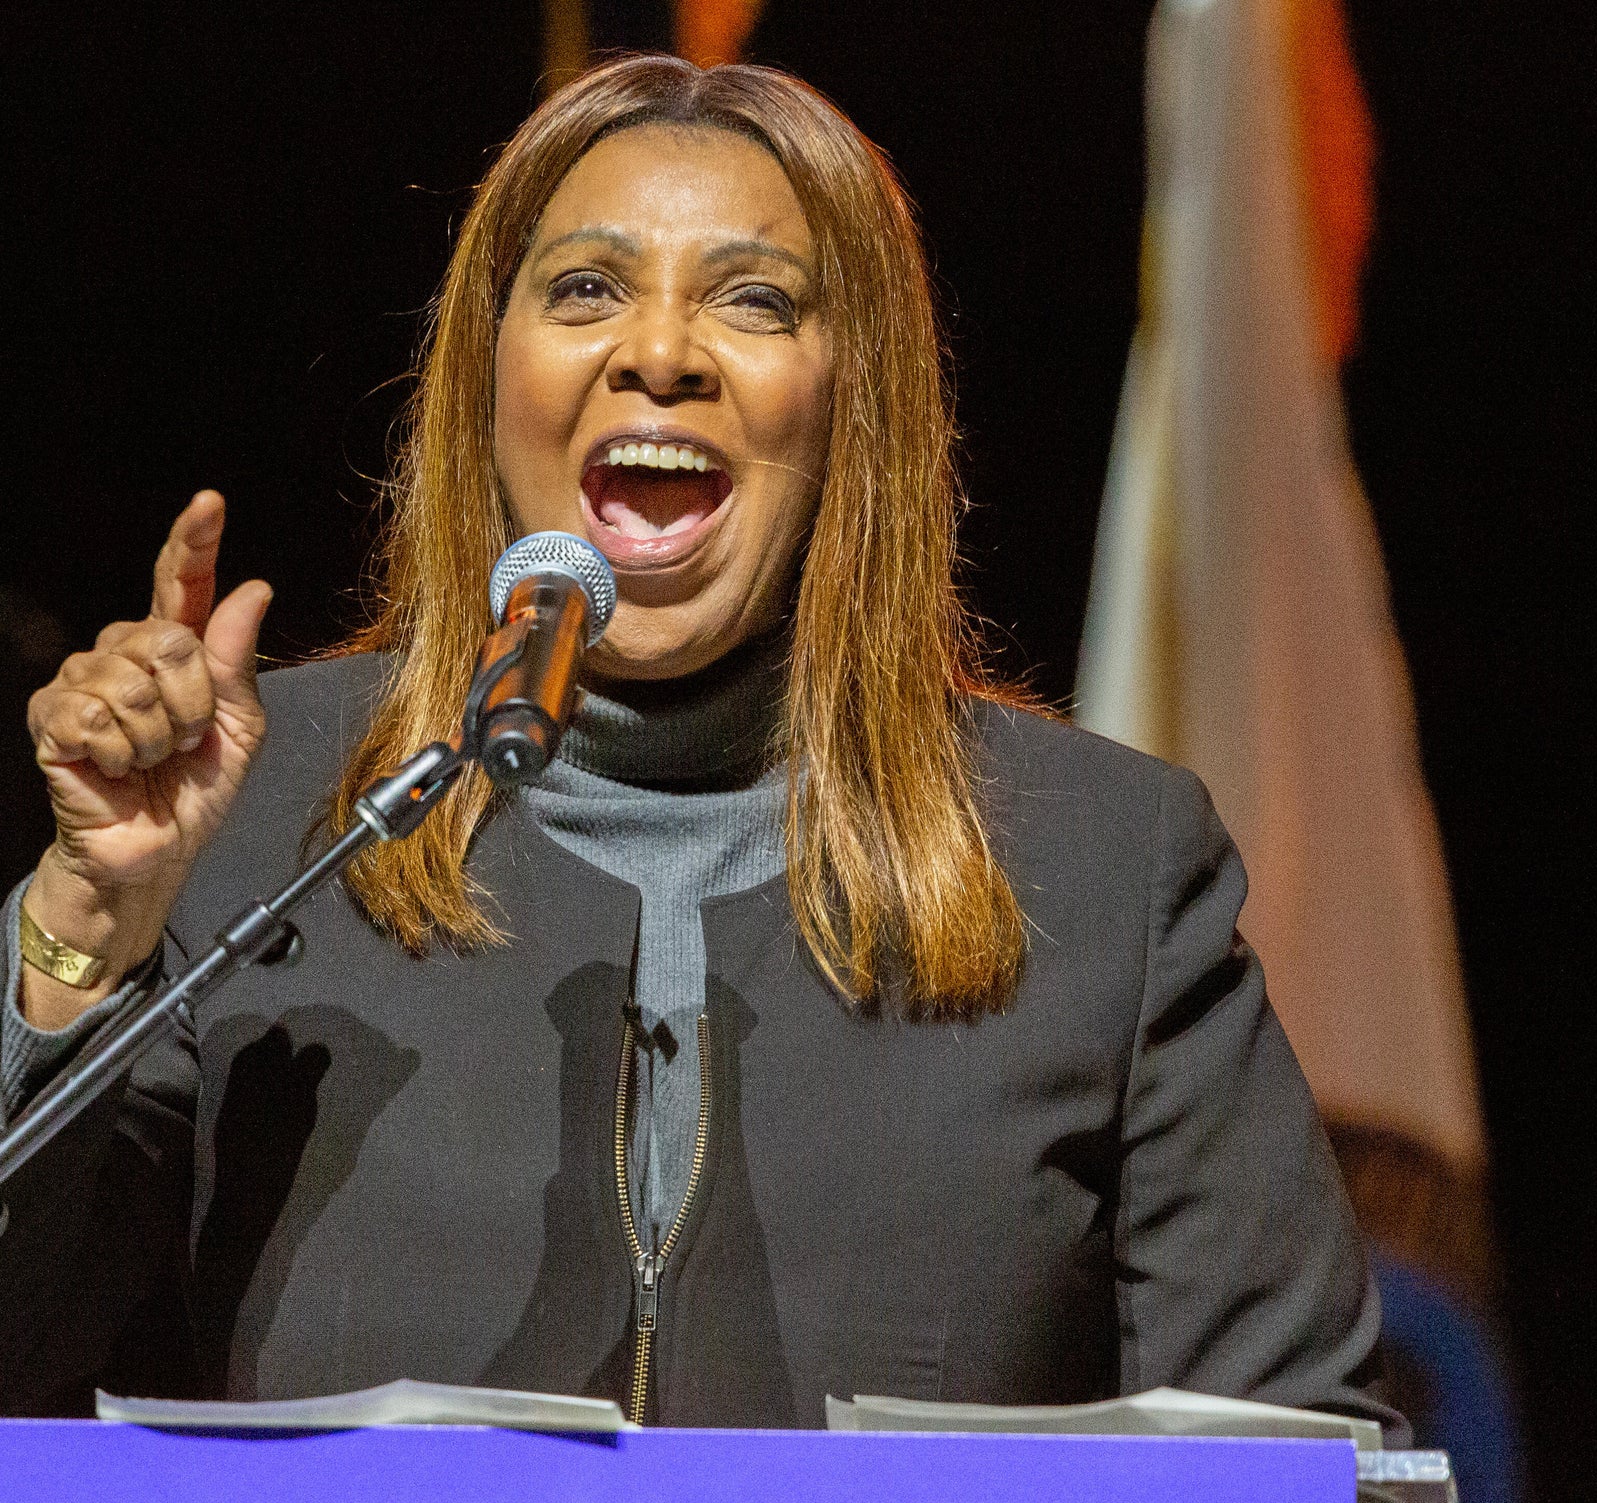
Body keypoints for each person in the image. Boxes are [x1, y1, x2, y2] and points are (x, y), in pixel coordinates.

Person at [0, 56, 1392, 1431]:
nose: (658, 352)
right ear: (490, 374)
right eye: (586, 289)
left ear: (857, 403)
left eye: (753, 301)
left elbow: (1306, 1493)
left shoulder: (1100, 871)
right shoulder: (264, 820)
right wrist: (85, 929)